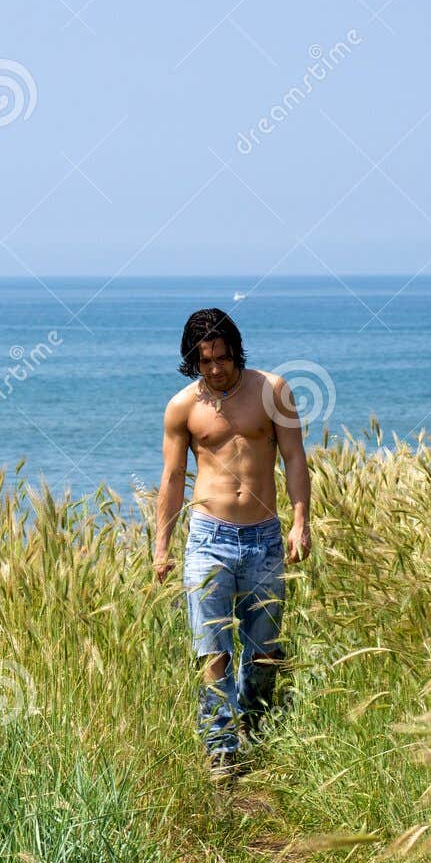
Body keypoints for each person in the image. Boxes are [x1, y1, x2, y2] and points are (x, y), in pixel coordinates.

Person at [153, 308, 312, 781]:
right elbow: (172, 477)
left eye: (222, 358)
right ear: (193, 361)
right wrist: (161, 544)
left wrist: (300, 521)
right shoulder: (182, 407)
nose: (216, 368)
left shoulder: (272, 390)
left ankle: (254, 725)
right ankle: (222, 748)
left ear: (236, 352)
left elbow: (295, 458)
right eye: (205, 361)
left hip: (264, 535)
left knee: (265, 652)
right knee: (213, 649)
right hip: (208, 538)